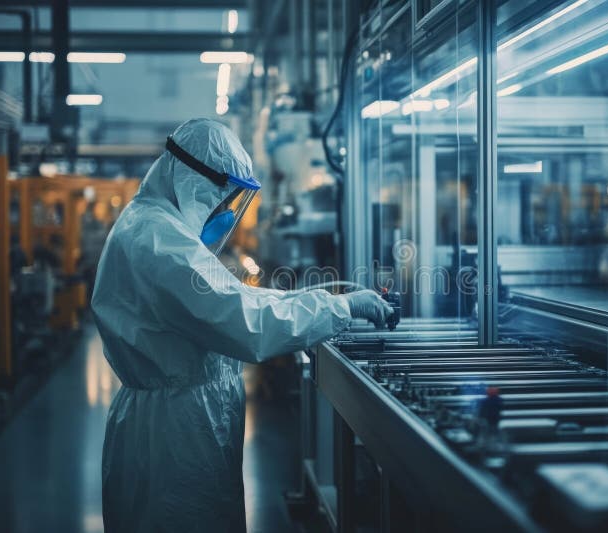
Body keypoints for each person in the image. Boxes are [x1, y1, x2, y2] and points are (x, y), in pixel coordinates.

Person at [91, 118, 392, 533]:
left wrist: (318, 301)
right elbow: (246, 323)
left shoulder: (155, 225)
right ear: (196, 183)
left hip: (174, 422)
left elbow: (236, 299)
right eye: (222, 197)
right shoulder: (161, 243)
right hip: (176, 437)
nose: (223, 210)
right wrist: (338, 310)